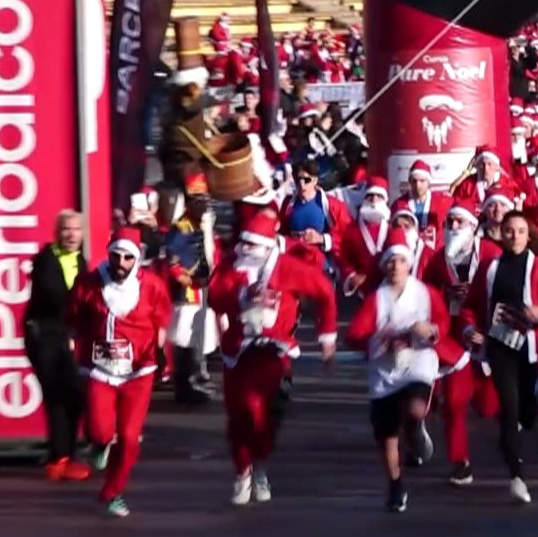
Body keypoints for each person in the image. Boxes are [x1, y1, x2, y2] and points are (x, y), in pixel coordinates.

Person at [207, 207, 338, 506]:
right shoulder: (232, 265)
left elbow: (325, 292)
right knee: (238, 416)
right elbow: (214, 296)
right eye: (244, 243)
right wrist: (242, 296)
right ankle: (243, 471)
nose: (245, 248)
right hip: (237, 352)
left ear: (267, 246)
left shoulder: (287, 268)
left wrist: (327, 337)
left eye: (252, 244)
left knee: (262, 416)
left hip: (273, 351)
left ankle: (261, 463)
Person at [460, 209, 538, 504]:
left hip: (530, 346)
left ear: (528, 234)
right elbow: (471, 305)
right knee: (508, 407)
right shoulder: (489, 267)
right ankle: (516, 475)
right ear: (500, 234)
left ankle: (517, 427)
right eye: (509, 231)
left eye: (520, 231)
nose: (515, 236)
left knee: (528, 411)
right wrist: (470, 329)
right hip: (499, 345)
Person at [68, 228, 173, 518]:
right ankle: (99, 444)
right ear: (108, 254)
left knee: (129, 437)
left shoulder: (151, 285)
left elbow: (162, 319)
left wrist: (162, 353)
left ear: (136, 259)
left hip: (138, 370)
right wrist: (73, 340)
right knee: (100, 429)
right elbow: (74, 316)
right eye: (117, 255)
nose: (122, 262)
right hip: (100, 368)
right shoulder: (89, 283)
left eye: (128, 257)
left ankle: (113, 491)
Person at [348, 228, 452, 513]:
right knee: (387, 436)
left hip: (418, 362)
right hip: (385, 369)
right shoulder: (376, 299)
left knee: (417, 407)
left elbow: (442, 323)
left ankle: (416, 425)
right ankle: (396, 486)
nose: (395, 267)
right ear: (384, 266)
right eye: (390, 262)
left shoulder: (424, 293)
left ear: (409, 264)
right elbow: (355, 333)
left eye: (401, 261)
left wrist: (430, 330)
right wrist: (386, 335)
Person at [421, 206, 495, 486]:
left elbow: (504, 289)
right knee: (453, 401)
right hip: (453, 337)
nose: (453, 225)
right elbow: (425, 293)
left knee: (488, 406)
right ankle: (459, 461)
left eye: (459, 221)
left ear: (473, 225)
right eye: (449, 221)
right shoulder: (439, 259)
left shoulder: (490, 253)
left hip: (486, 332)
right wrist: (444, 295)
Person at [24, 209, 92, 480]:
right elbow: (56, 297)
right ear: (57, 232)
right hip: (45, 337)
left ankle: (67, 453)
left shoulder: (81, 261)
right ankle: (59, 457)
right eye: (67, 229)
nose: (72, 234)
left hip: (69, 338)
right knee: (57, 395)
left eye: (77, 229)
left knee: (74, 394)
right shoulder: (45, 260)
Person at [162, 193, 218, 405]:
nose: (204, 207)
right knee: (184, 335)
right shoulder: (182, 227)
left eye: (206, 202)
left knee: (198, 335)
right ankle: (184, 384)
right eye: (198, 203)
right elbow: (171, 257)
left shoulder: (200, 226)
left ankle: (194, 379)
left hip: (202, 288)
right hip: (188, 291)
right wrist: (183, 277)